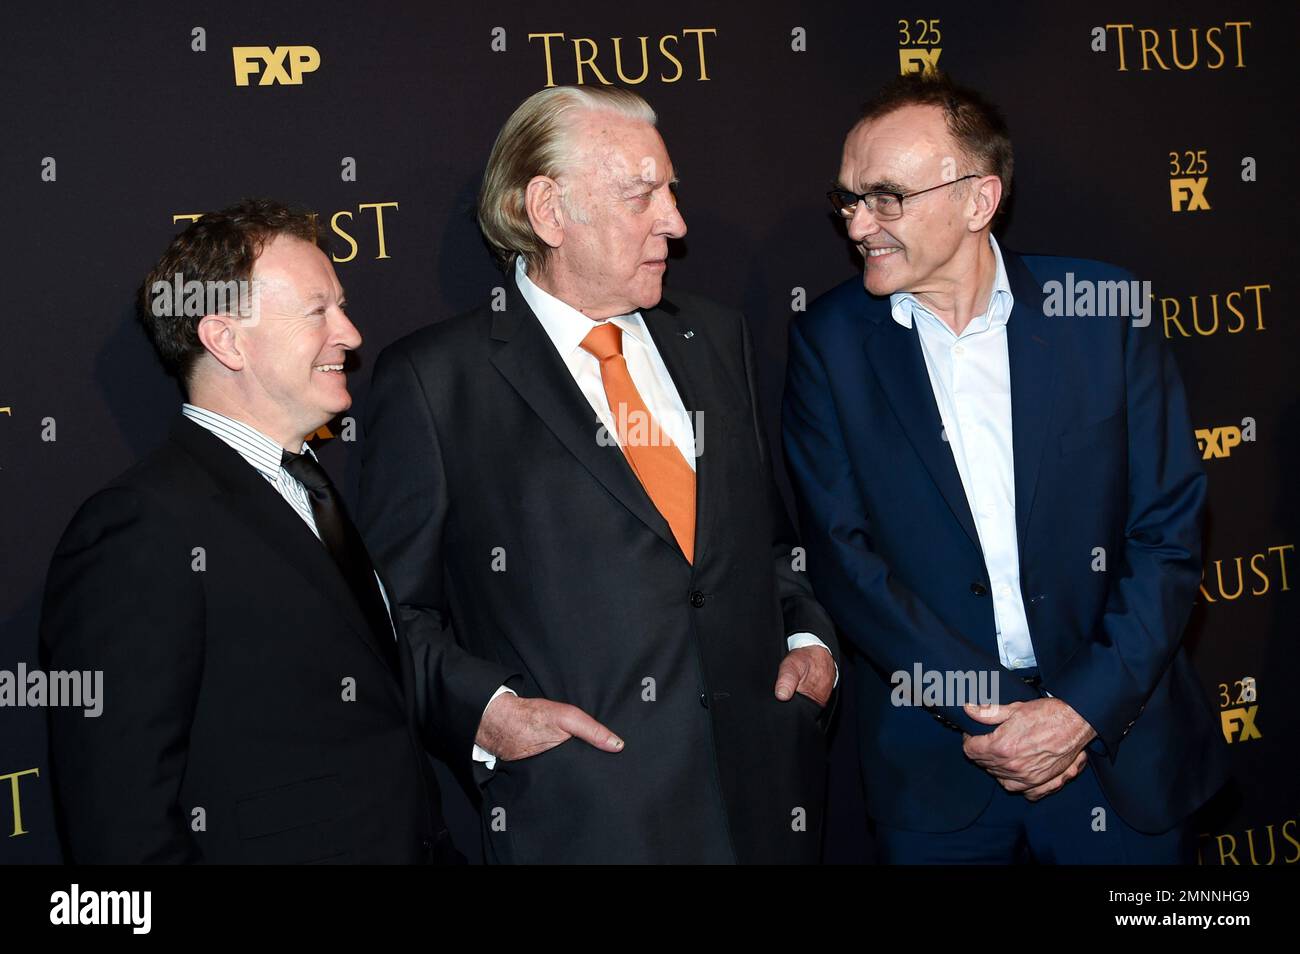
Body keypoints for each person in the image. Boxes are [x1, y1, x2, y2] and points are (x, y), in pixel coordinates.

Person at [358, 86, 838, 863]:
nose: (675, 222)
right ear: (548, 209)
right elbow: (388, 612)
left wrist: (811, 639)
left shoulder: (714, 338)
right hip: (586, 820)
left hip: (768, 804)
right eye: (640, 194)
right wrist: (489, 714)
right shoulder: (436, 381)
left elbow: (768, 546)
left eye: (671, 190)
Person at [782, 72, 1228, 863]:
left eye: (885, 198)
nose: (857, 224)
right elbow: (846, 563)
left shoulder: (1103, 312)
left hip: (1117, 744)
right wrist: (997, 717)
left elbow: (1167, 533)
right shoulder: (831, 341)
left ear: (978, 200)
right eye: (848, 200)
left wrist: (1077, 713)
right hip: (939, 763)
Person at [40, 199, 456, 863]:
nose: (349, 333)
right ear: (226, 339)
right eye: (317, 310)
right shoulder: (140, 528)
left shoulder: (311, 489)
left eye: (341, 306)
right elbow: (120, 826)